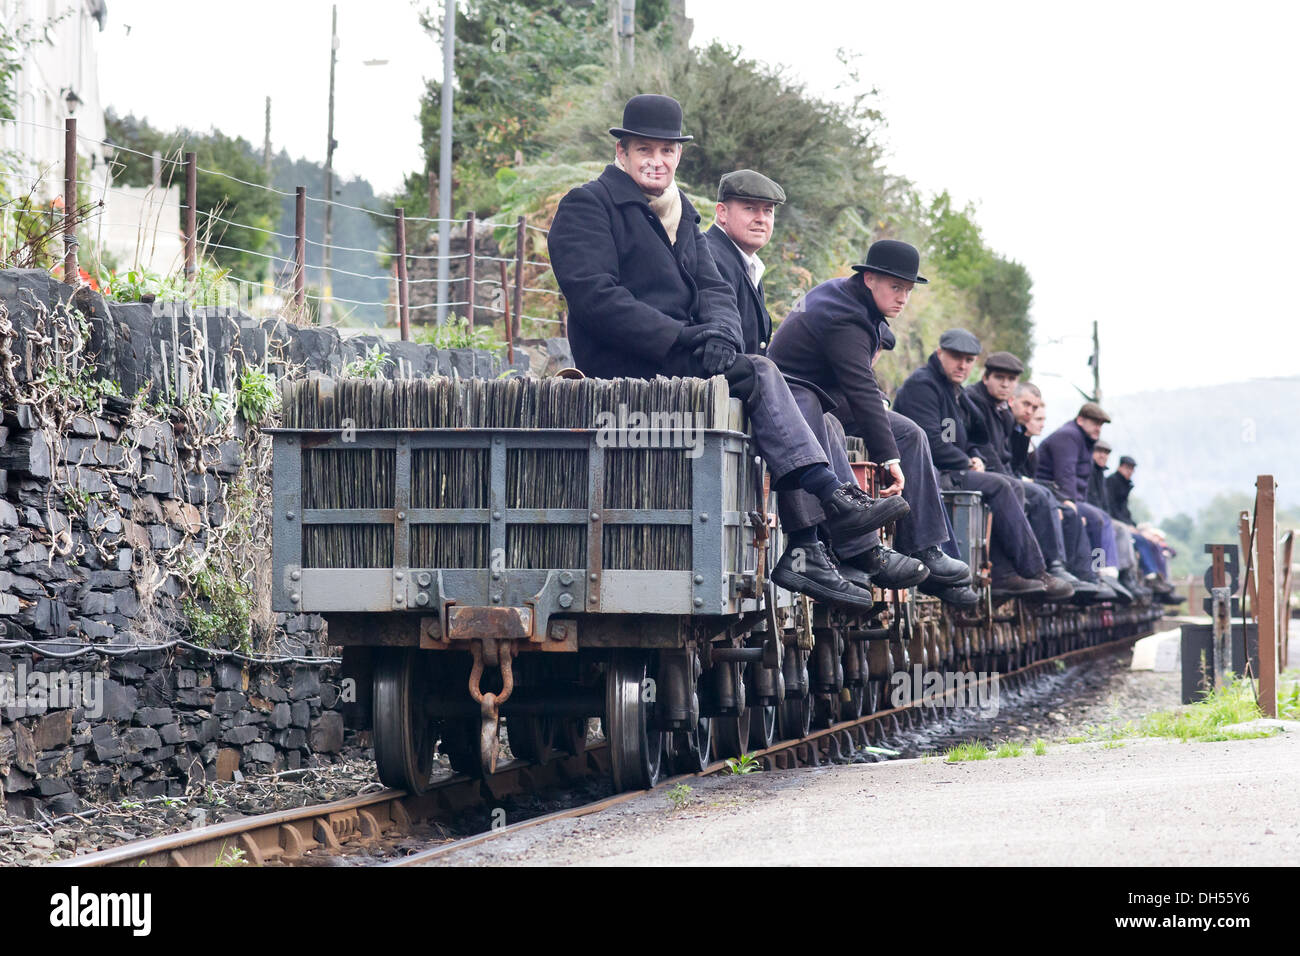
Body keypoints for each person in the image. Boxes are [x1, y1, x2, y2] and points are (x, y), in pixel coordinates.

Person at [547, 95, 908, 609]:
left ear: (678, 155)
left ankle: (808, 544)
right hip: (624, 365)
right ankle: (829, 506)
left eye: (667, 150)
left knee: (768, 377)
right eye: (644, 149)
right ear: (622, 153)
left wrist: (719, 334)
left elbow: (714, 287)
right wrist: (682, 337)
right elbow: (595, 297)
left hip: (679, 360)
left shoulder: (681, 214)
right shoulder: (589, 204)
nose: (657, 160)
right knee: (762, 371)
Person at [703, 170, 932, 594]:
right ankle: (814, 545)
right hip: (719, 384)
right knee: (802, 398)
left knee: (822, 416)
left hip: (752, 383)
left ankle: (855, 550)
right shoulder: (713, 254)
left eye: (768, 212)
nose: (760, 219)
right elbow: (727, 335)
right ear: (721, 212)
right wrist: (887, 456)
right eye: (749, 209)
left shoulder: (747, 264)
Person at [765, 238, 978, 607]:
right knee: (858, 425)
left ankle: (924, 548)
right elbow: (861, 387)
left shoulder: (854, 303)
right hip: (794, 396)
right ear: (868, 279)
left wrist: (891, 443)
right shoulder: (845, 315)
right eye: (896, 287)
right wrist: (888, 459)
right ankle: (857, 549)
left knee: (910, 433)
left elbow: (861, 388)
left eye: (908, 291)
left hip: (825, 395)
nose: (902, 298)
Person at [893, 329, 1072, 602]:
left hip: (954, 469)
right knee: (1001, 485)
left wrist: (975, 454)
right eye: (956, 358)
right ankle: (1033, 572)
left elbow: (978, 435)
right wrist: (965, 460)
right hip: (931, 473)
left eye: (969, 360)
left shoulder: (956, 392)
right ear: (940, 353)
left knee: (1008, 484)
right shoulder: (924, 385)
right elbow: (930, 441)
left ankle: (1007, 573)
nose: (963, 365)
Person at [965, 352, 1085, 593]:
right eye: (1000, 377)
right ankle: (1041, 568)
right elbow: (983, 449)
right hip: (978, 471)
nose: (1005, 384)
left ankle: (1060, 567)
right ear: (986, 377)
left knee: (1044, 497)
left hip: (997, 473)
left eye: (1011, 379)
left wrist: (1022, 432)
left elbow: (1010, 459)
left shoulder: (1004, 415)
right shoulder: (972, 400)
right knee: (1033, 494)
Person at [1035, 403, 1132, 602]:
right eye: (1095, 423)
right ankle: (1094, 572)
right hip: (1056, 494)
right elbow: (1066, 473)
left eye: (1101, 424)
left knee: (1101, 518)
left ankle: (1103, 572)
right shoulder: (1069, 437)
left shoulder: (1082, 440)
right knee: (1097, 519)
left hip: (1064, 495)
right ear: (1081, 420)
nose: (1098, 428)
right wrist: (1069, 500)